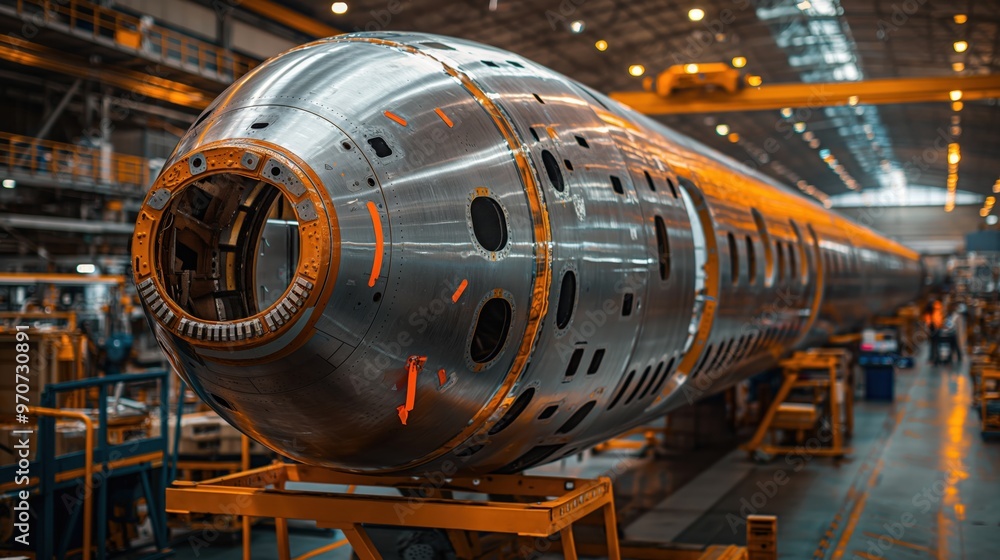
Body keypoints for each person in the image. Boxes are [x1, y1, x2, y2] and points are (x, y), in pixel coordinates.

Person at [924, 300, 943, 365]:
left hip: (935, 330)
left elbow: (930, 322)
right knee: (934, 345)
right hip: (934, 329)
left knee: (935, 345)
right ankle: (934, 358)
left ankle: (935, 358)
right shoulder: (933, 312)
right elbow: (928, 322)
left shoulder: (935, 311)